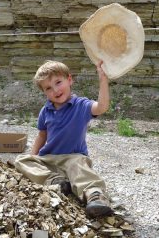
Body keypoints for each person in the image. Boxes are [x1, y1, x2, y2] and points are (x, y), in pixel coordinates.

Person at [14, 60, 113, 218]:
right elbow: (42, 136)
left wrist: (103, 80)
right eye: (48, 88)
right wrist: (33, 157)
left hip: (73, 158)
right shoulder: (45, 111)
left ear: (69, 79)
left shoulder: (82, 105)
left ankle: (95, 195)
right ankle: (57, 182)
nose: (55, 90)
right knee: (21, 160)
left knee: (80, 167)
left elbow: (101, 107)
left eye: (58, 82)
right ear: (44, 92)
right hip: (50, 160)